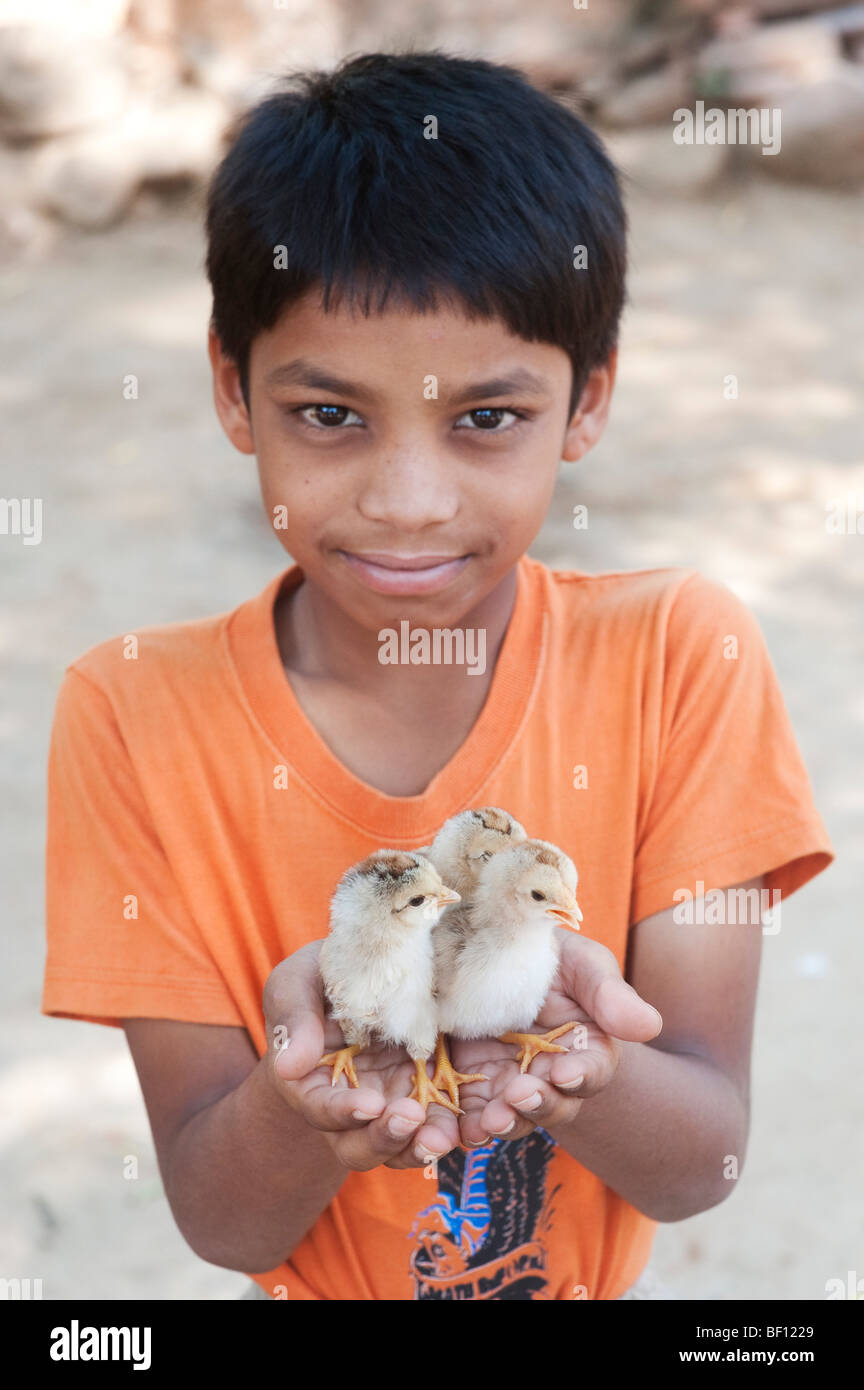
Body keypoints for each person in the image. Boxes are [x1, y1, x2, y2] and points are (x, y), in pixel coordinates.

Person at [43, 52, 833, 1302]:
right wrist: (298, 1099)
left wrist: (584, 1062)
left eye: (485, 419)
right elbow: (221, 1215)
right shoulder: (134, 713)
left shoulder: (683, 655)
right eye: (330, 415)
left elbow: (699, 1162)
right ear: (230, 389)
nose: (407, 504)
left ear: (588, 406)